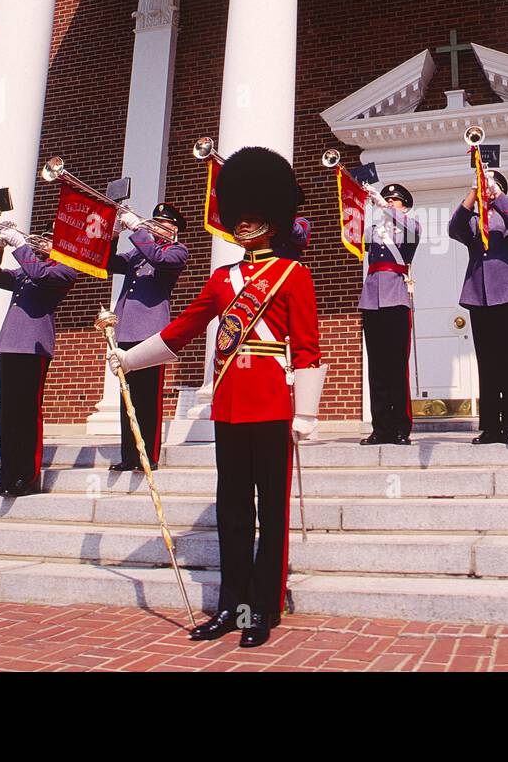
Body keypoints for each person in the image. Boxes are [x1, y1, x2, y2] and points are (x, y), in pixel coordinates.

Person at [110, 146, 324, 649]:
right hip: (229, 402)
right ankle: (232, 604)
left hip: (272, 401)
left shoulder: (293, 275)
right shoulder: (222, 277)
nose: (245, 223)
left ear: (272, 221)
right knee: (231, 509)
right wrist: (129, 359)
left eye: (255, 215)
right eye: (240, 216)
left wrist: (308, 412)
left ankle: (263, 608)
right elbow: (182, 330)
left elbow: (308, 346)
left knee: (270, 509)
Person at [0, 224, 78, 498]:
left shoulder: (64, 269)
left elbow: (40, 274)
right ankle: (7, 476)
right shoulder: (26, 269)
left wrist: (19, 244)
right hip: (10, 343)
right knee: (8, 415)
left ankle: (27, 475)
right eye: (44, 237)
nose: (43, 242)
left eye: (49, 239)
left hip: (34, 345)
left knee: (26, 414)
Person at [448, 169, 508, 446]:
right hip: (479, 295)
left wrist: (498, 195)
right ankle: (490, 426)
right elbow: (453, 228)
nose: (485, 191)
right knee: (488, 364)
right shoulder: (472, 220)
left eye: (488, 187)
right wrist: (472, 193)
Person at [107, 203, 189, 472]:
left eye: (162, 223)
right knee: (127, 396)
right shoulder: (138, 253)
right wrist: (115, 233)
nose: (156, 226)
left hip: (151, 332)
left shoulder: (176, 251)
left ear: (173, 228)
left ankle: (148, 455)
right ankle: (129, 455)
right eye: (154, 222)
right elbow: (108, 263)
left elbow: (159, 259)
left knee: (148, 397)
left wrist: (139, 228)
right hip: (127, 329)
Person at [359, 182, 421, 446]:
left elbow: (411, 232)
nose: (389, 203)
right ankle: (381, 427)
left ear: (404, 206)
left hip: (396, 298)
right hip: (372, 300)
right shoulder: (372, 231)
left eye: (395, 201)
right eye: (386, 200)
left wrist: (384, 208)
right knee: (378, 368)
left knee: (396, 367)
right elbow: (350, 236)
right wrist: (356, 200)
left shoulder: (411, 226)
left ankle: (400, 427)